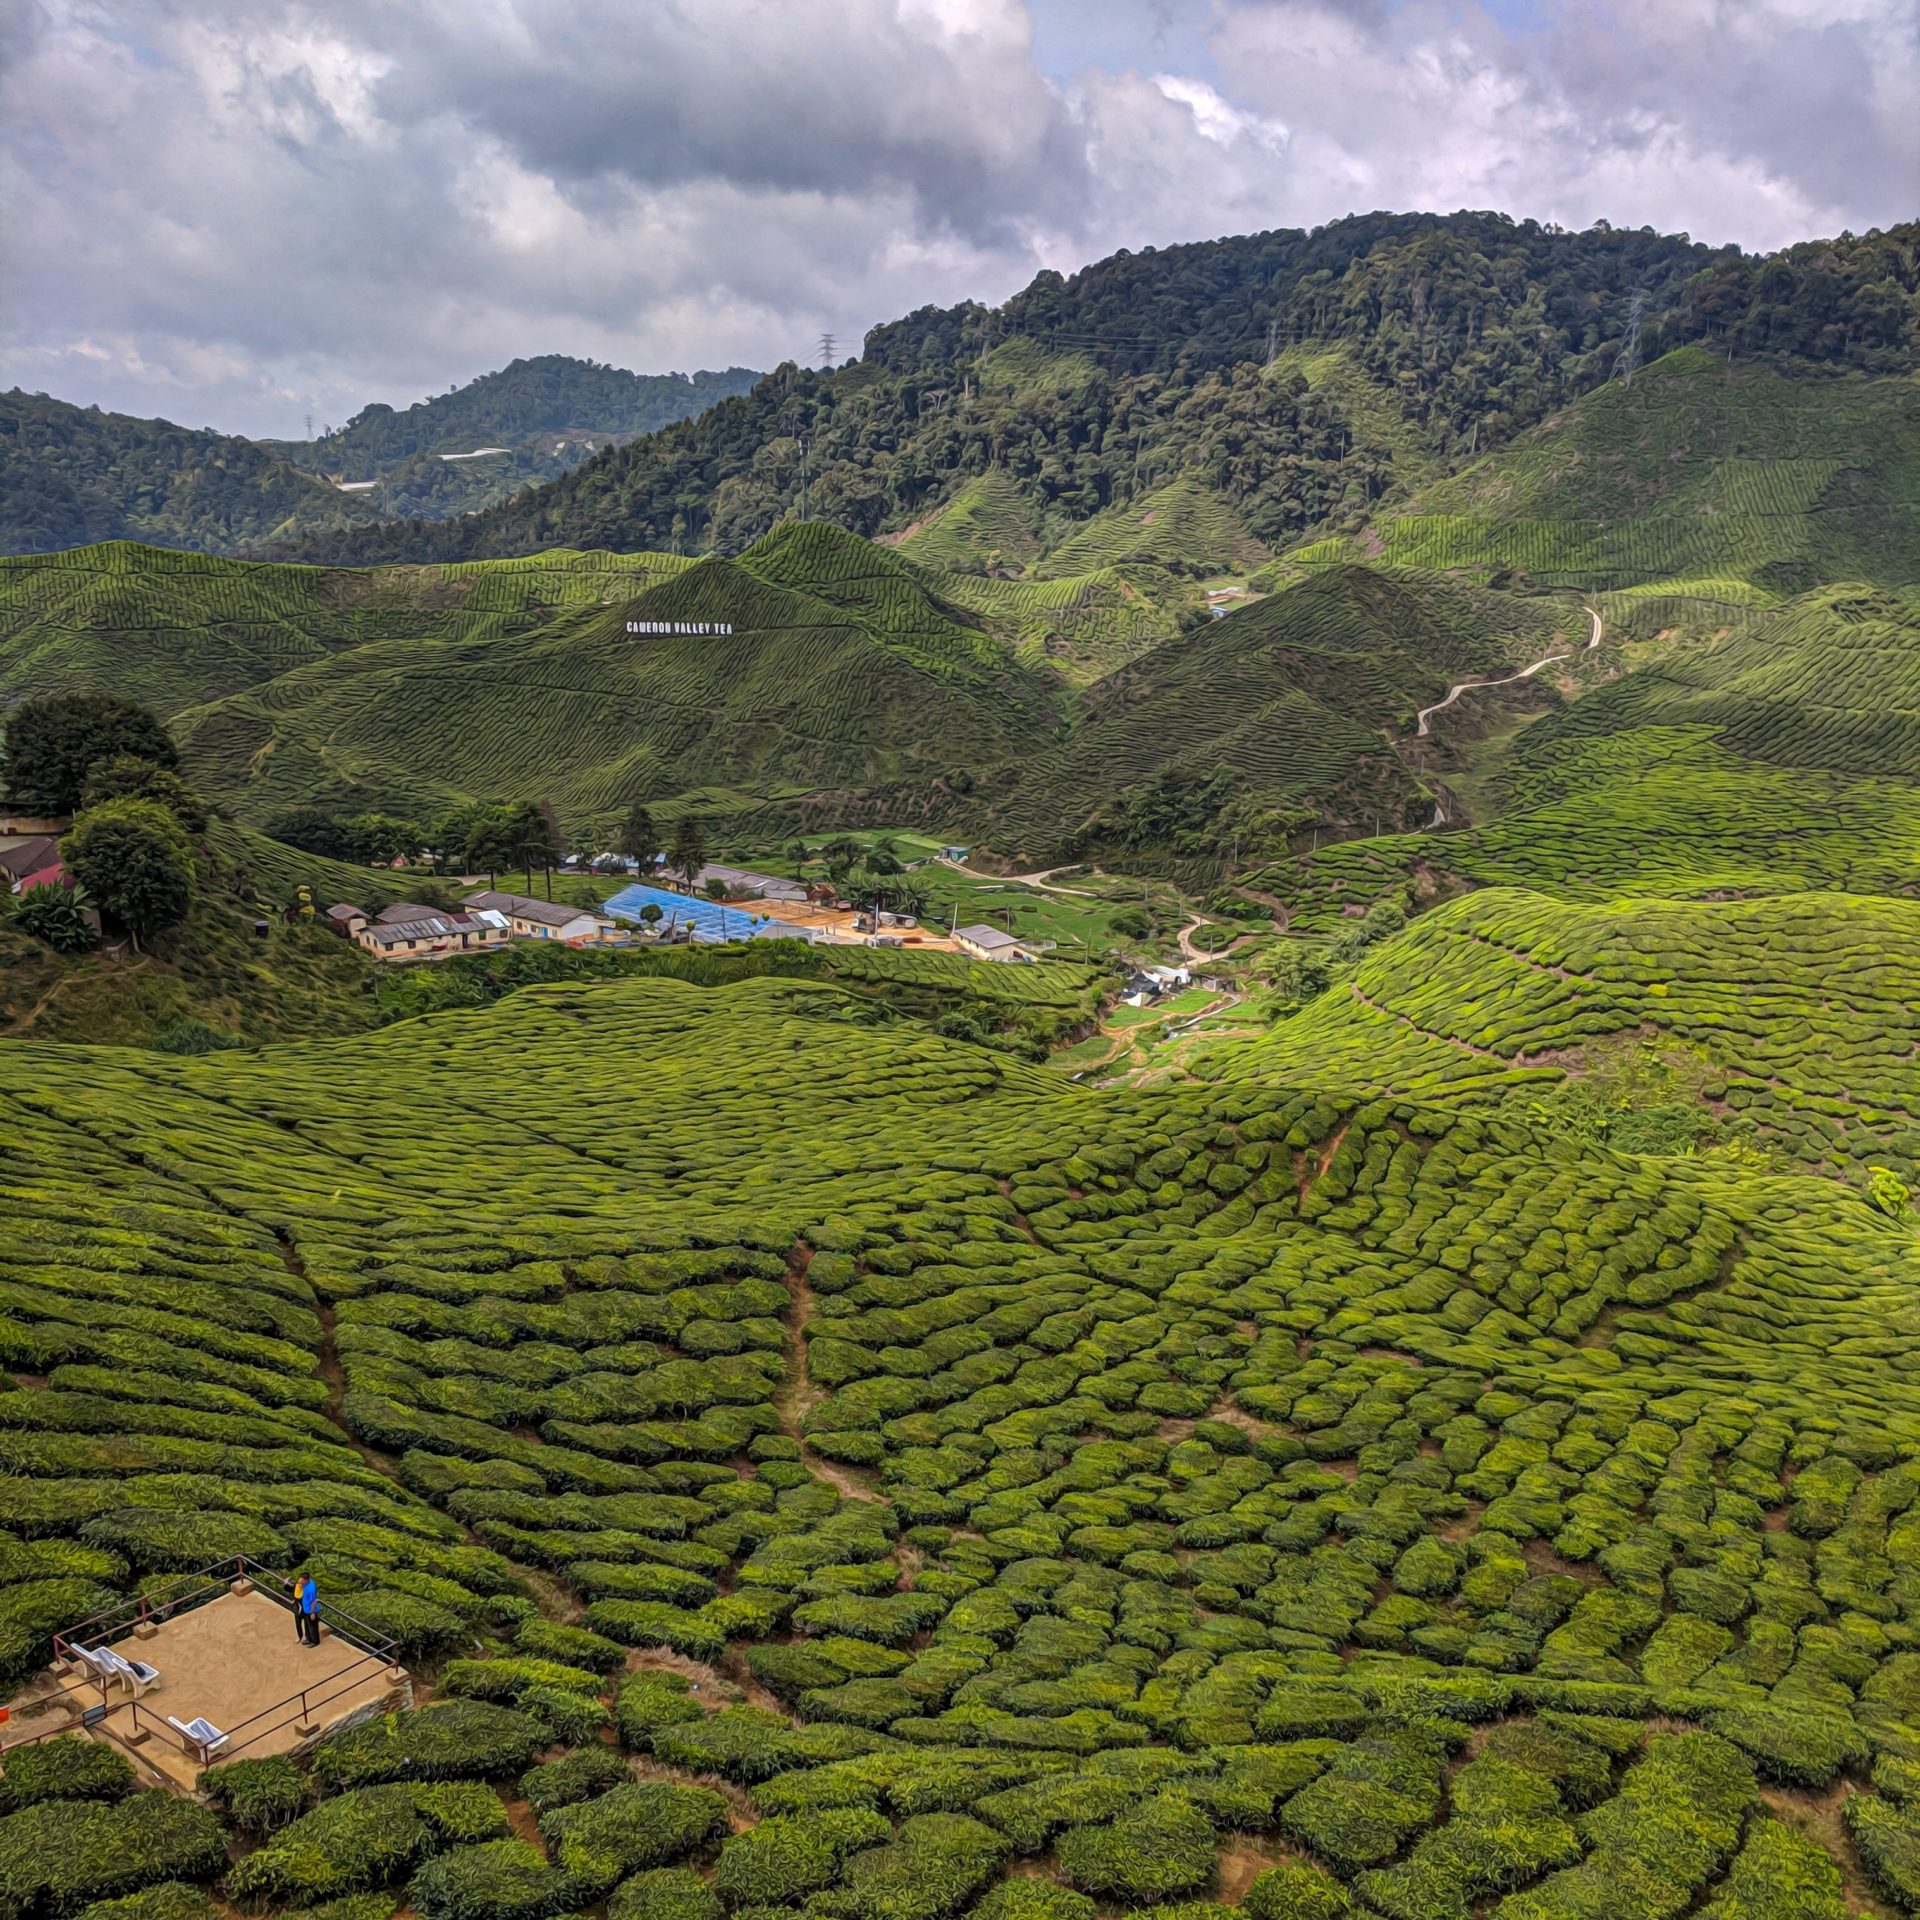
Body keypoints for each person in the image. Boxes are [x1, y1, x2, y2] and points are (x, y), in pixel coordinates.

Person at [295, 1572, 320, 1647]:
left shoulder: (311, 1589)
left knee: (312, 1627)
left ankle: (315, 1641)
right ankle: (309, 1639)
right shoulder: (307, 1583)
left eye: (302, 1580)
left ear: (306, 1580)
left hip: (311, 1610)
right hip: (306, 1609)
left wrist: (312, 1613)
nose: (300, 1581)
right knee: (307, 1625)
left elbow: (313, 1602)